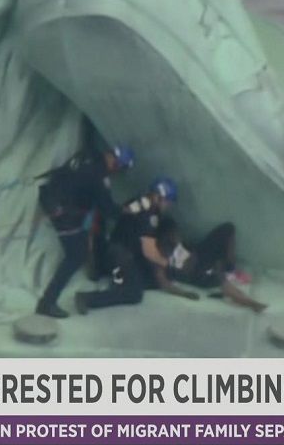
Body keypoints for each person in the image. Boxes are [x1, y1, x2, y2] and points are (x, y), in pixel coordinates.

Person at [33, 126, 134, 318]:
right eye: (120, 168)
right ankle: (47, 302)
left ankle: (49, 300)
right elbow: (108, 209)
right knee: (76, 255)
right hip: (62, 210)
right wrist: (125, 211)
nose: (117, 172)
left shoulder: (89, 156)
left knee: (79, 251)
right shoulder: (99, 177)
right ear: (117, 164)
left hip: (52, 198)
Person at [73, 178, 178, 313]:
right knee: (133, 293)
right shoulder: (143, 209)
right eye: (168, 202)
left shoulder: (150, 209)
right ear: (159, 197)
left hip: (128, 255)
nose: (168, 206)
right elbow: (148, 249)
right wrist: (164, 262)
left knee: (152, 278)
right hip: (118, 257)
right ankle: (87, 298)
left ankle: (115, 276)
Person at [154, 217, 267, 313]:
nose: (177, 236)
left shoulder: (179, 244)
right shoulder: (159, 257)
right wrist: (185, 294)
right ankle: (247, 301)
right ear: (165, 236)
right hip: (196, 274)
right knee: (218, 276)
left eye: (176, 233)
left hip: (200, 260)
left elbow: (192, 252)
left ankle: (230, 271)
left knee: (228, 228)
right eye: (173, 234)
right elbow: (164, 284)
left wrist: (190, 252)